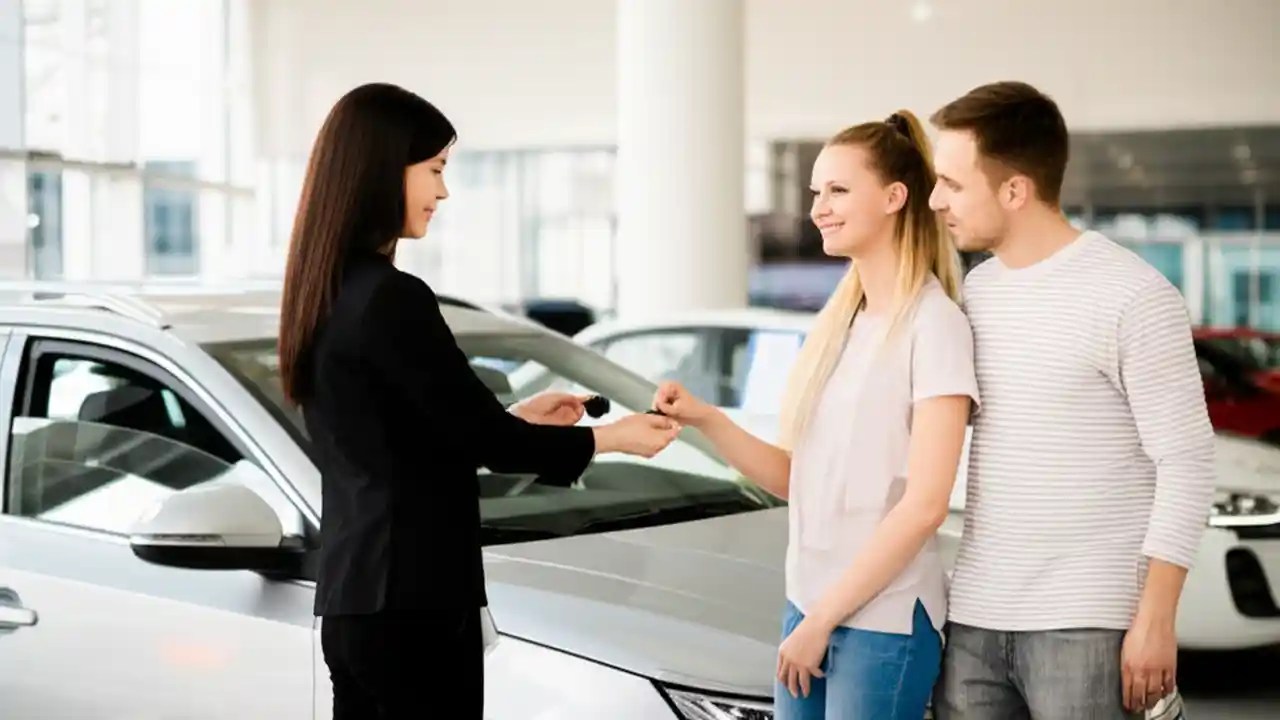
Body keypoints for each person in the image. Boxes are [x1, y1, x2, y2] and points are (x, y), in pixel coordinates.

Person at [276, 82, 681, 720]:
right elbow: (486, 443)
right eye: (434, 170)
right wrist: (612, 438)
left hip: (356, 605)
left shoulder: (322, 293)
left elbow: (411, 436)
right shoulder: (393, 297)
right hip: (416, 608)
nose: (443, 192)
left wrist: (514, 418)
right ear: (382, 169)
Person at [654, 110, 978, 719]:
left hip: (882, 621)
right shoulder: (841, 327)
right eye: (815, 193)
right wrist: (708, 421)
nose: (817, 208)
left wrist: (824, 619)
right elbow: (796, 480)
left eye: (836, 190)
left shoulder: (936, 326)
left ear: (894, 196)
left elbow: (925, 506)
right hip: (808, 603)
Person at [926, 81, 1216, 719]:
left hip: (1087, 624)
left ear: (1014, 190)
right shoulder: (978, 292)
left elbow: (1188, 463)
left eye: (951, 182)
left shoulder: (1134, 296)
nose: (935, 199)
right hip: (973, 620)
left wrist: (1156, 619)